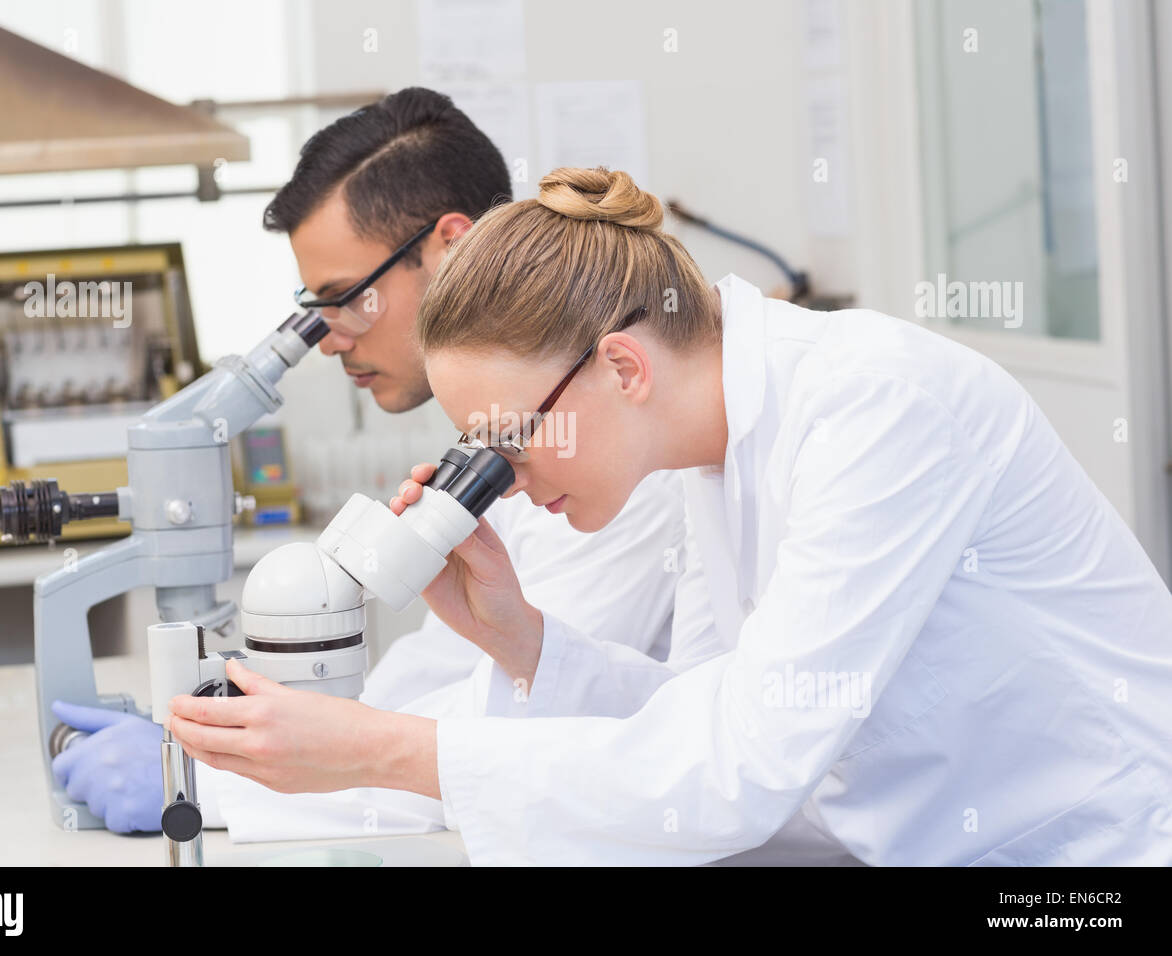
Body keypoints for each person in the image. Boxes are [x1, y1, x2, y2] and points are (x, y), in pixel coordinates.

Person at [168, 166, 1172, 866]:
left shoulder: (879, 407)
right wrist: (519, 640)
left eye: (512, 440)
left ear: (621, 365)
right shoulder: (710, 454)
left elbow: (741, 768)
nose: (506, 481)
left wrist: (383, 750)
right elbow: (699, 716)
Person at [48, 93, 687, 839]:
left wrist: (205, 787)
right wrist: (245, 743)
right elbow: (424, 687)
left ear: (448, 246)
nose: (328, 339)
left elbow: (533, 744)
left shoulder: (605, 452)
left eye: (346, 298)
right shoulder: (509, 444)